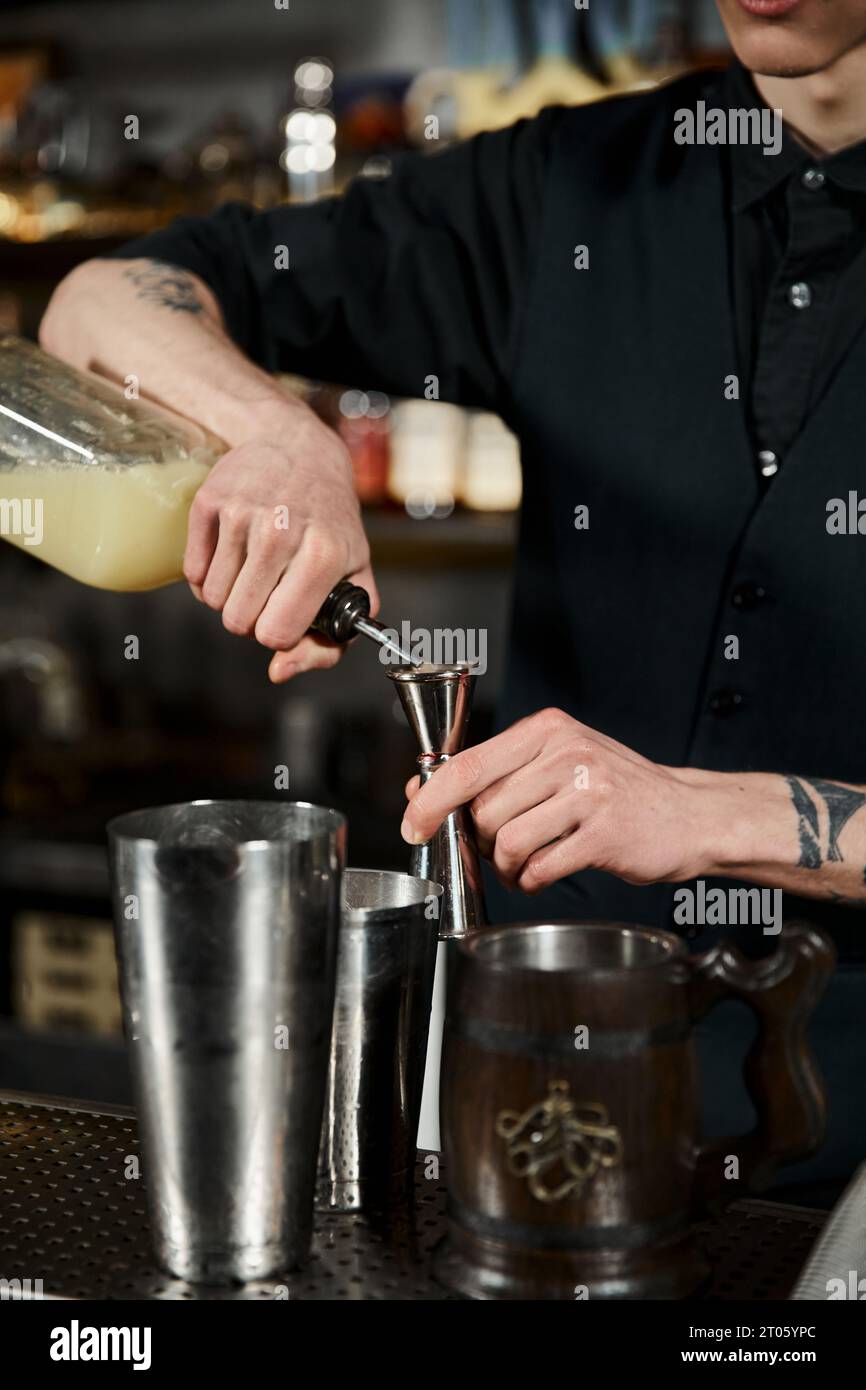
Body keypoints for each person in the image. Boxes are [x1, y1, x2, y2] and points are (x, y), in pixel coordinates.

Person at [41, 0, 866, 1197]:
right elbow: (102, 295)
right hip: (540, 1098)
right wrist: (275, 435)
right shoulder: (568, 188)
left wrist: (726, 817)